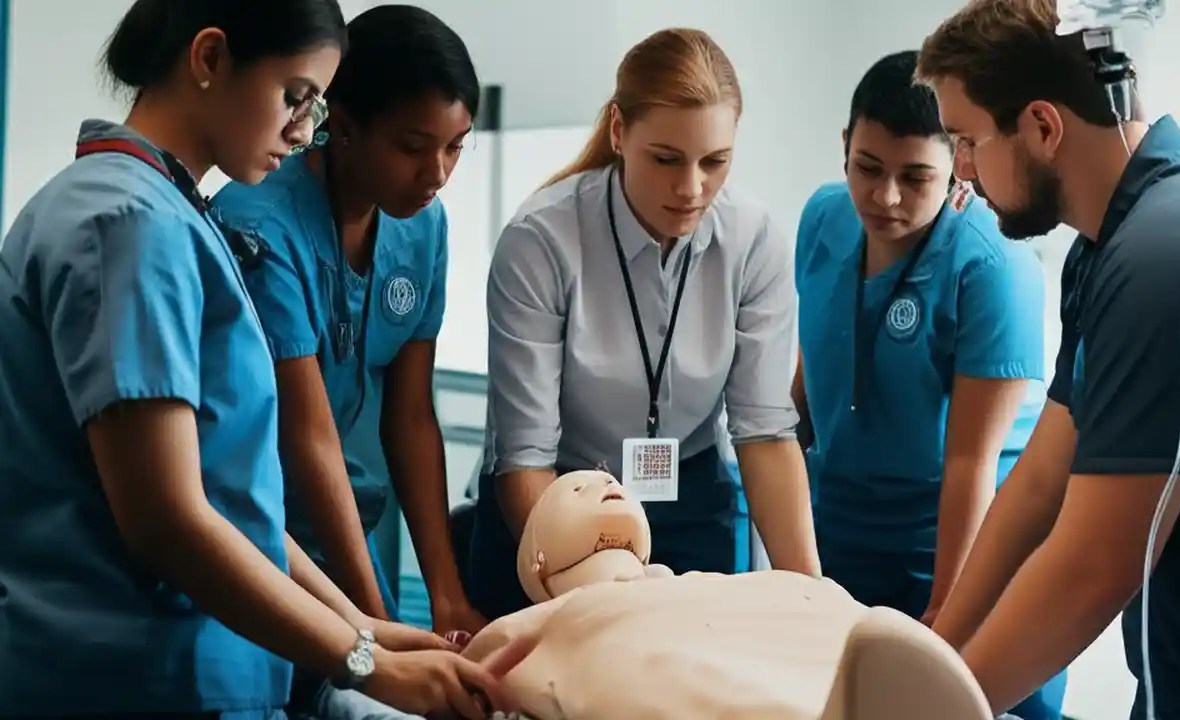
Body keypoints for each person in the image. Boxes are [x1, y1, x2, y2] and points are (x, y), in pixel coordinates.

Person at [0, 2, 522, 718]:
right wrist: (362, 664)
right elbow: (170, 520)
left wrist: (364, 628)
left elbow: (229, 494)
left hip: (214, 672)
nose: (308, 130)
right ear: (210, 59)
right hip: (136, 676)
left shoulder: (175, 216)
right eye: (296, 97)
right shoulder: (125, 223)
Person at [914, 1, 1180, 717]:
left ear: (1043, 127)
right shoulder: (1109, 247)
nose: (959, 170)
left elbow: (1094, 564)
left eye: (966, 140)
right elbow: (1042, 481)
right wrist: (939, 649)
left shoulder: (1168, 253)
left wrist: (939, 707)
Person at [466, 27, 821, 620]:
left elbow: (764, 435)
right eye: (666, 160)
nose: (691, 188)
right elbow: (524, 455)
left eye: (715, 162)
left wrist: (813, 600)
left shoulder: (752, 240)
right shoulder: (542, 241)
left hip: (687, 502)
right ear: (618, 132)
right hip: (555, 504)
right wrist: (596, 603)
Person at [790, 49, 1065, 720]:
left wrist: (950, 612)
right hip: (840, 529)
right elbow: (808, 377)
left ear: (959, 170)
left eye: (916, 177)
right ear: (845, 149)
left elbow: (971, 463)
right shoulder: (823, 218)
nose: (885, 197)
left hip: (958, 543)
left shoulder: (992, 264)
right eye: (868, 168)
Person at [212, 5, 486, 636]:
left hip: (350, 540)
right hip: (261, 539)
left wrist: (446, 597)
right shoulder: (259, 225)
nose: (437, 175)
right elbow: (306, 437)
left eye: (455, 148)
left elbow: (411, 416)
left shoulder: (423, 225)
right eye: (413, 148)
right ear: (344, 125)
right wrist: (376, 623)